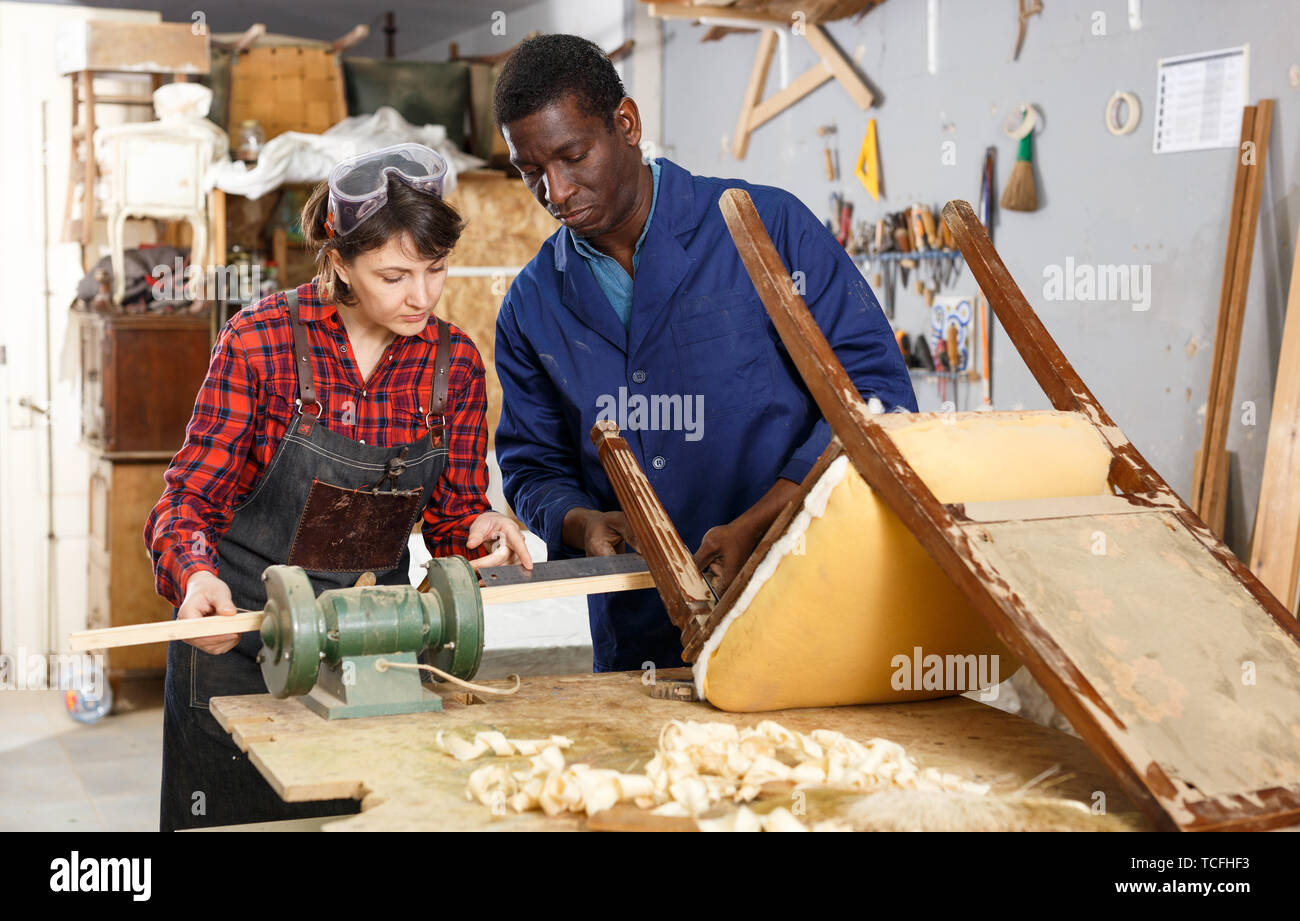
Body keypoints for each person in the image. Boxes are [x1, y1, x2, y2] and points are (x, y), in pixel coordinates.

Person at [491, 35, 916, 674]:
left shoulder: (767, 229)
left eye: (573, 156)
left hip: (802, 589)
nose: (555, 191)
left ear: (627, 124)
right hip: (642, 635)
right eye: (531, 173)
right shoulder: (529, 305)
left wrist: (771, 517)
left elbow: (876, 397)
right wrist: (581, 523)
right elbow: (531, 464)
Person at [145, 143, 531, 831]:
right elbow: (187, 502)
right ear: (339, 260)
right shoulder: (259, 342)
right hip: (241, 652)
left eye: (435, 269)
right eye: (393, 274)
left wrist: (483, 531)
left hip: (369, 655)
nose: (422, 296)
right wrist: (194, 578)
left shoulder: (455, 367)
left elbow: (452, 523)